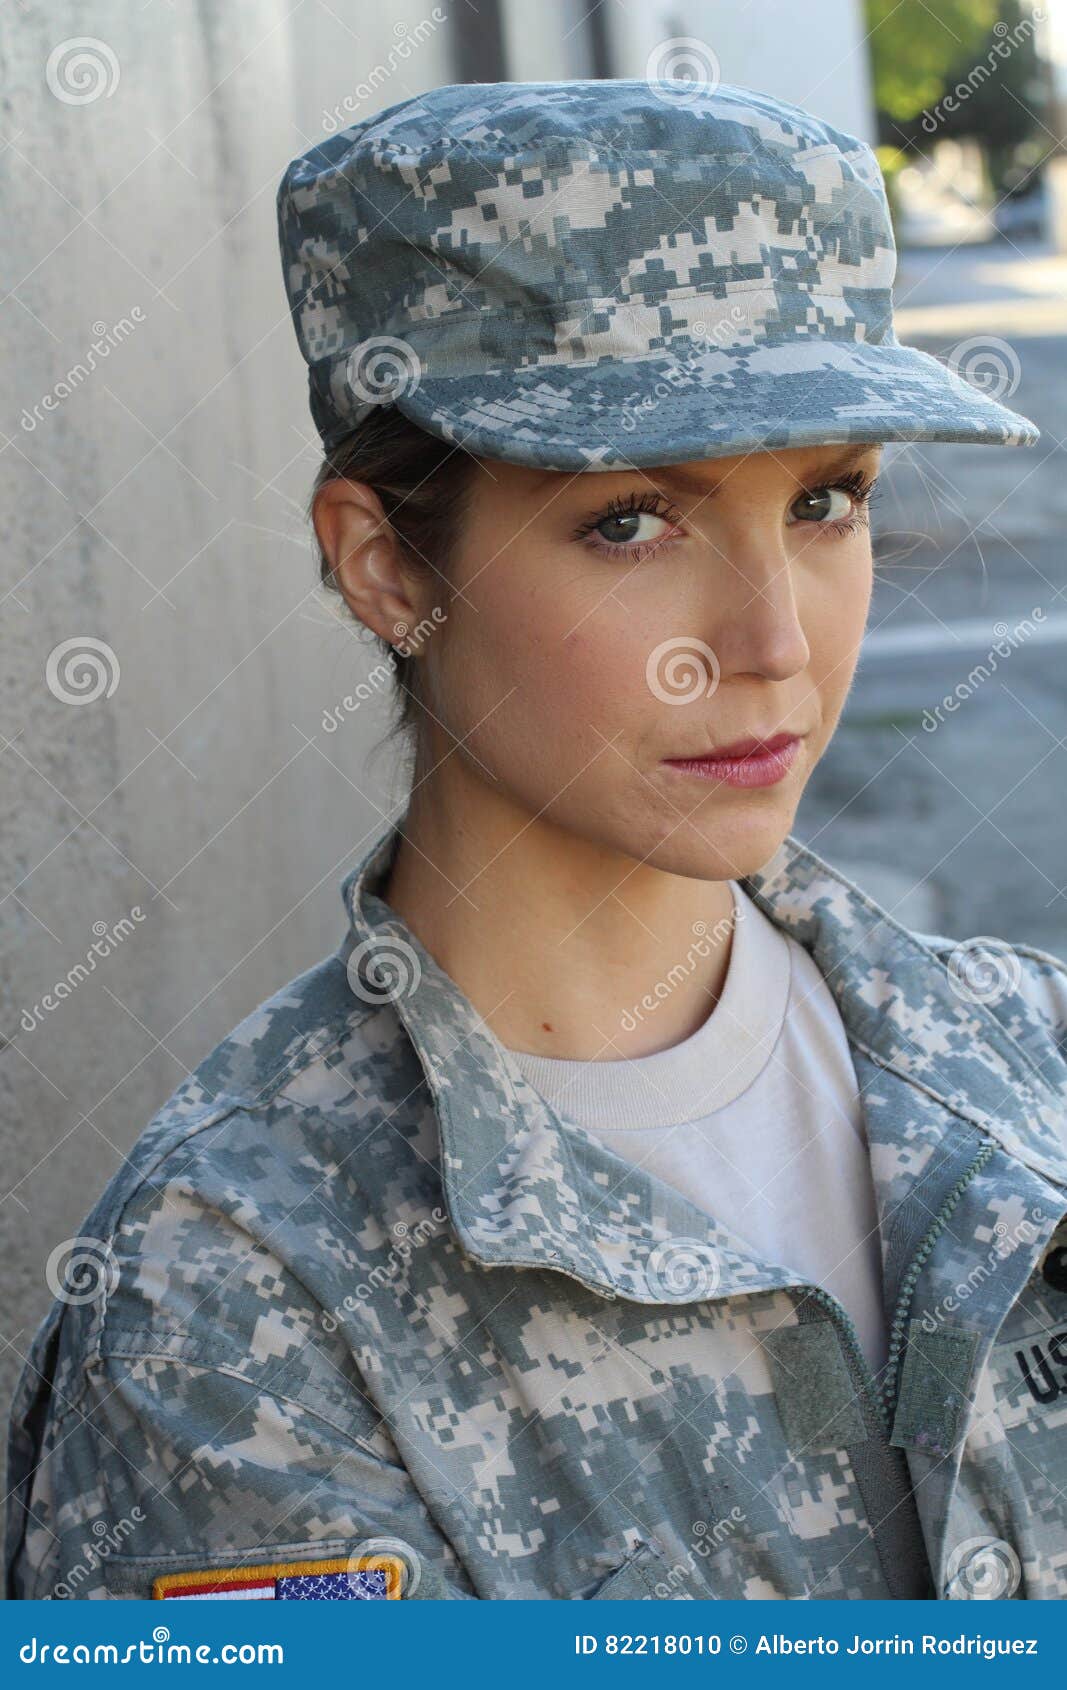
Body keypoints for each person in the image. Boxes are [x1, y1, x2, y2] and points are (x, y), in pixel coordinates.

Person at [7, 77, 1067, 1605]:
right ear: (382, 568)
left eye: (827, 499)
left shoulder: (1022, 1054)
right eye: (634, 519)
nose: (773, 639)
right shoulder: (233, 1300)